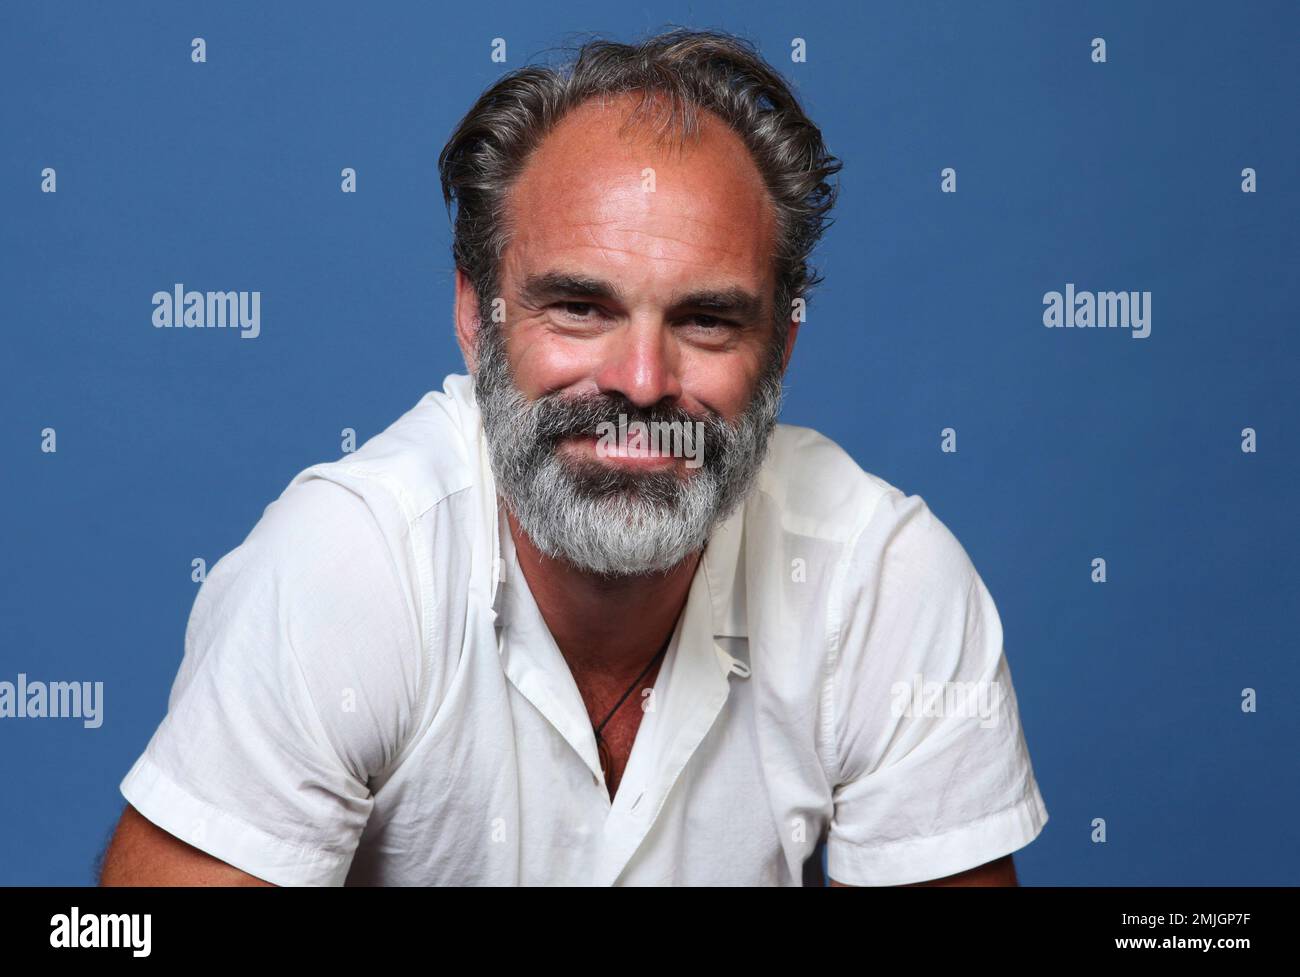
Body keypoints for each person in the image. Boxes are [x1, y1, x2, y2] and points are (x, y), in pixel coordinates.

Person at [99, 28, 1048, 886]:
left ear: (783, 347)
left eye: (707, 319)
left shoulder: (882, 580)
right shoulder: (345, 568)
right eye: (581, 307)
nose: (641, 382)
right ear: (478, 319)